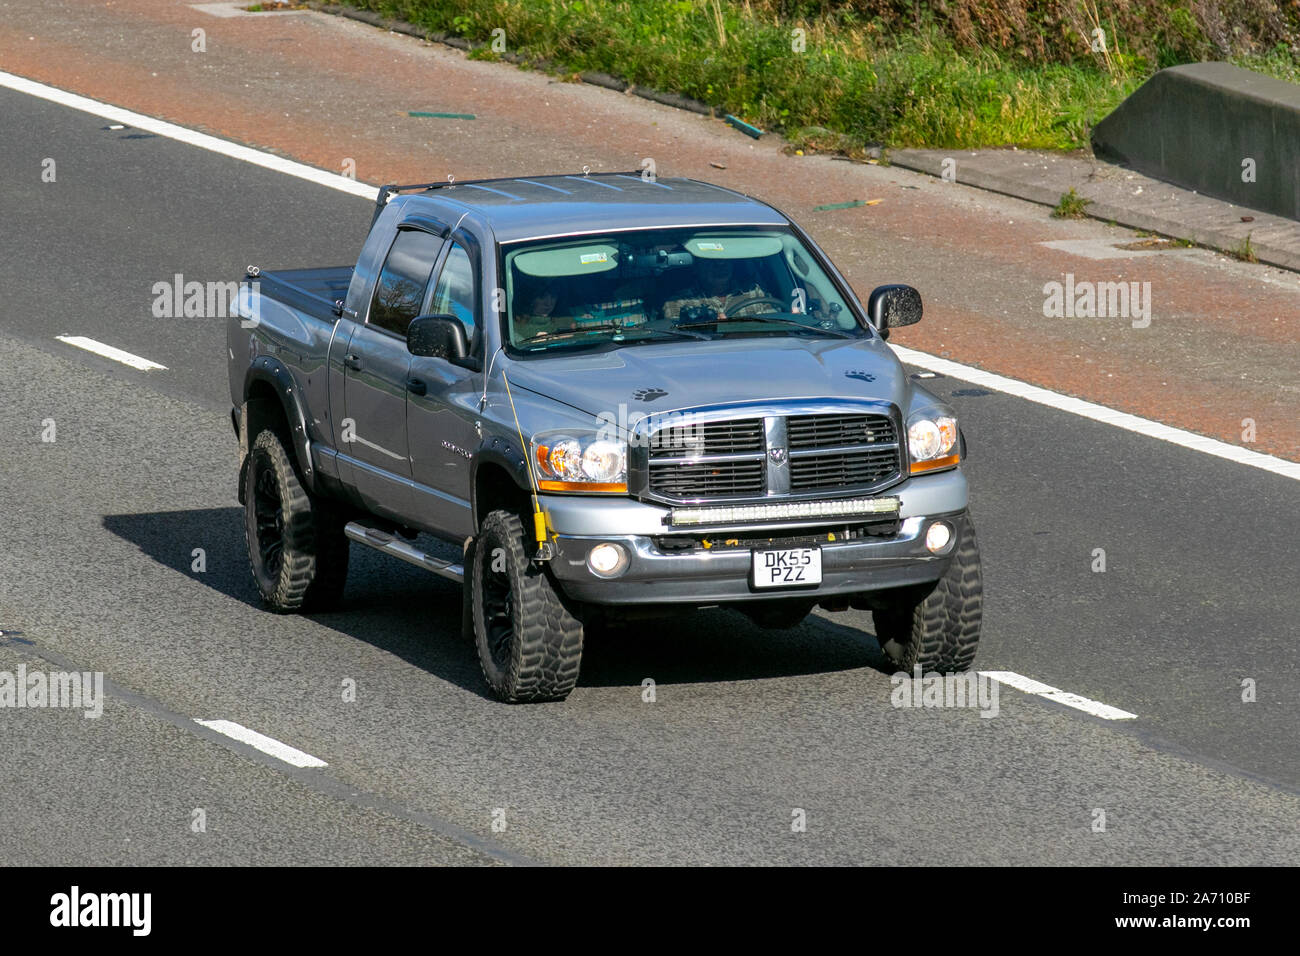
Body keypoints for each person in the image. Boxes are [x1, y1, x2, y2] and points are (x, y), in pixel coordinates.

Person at [660, 257, 771, 323]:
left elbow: (775, 327)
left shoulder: (754, 292)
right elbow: (677, 339)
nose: (720, 266)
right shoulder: (677, 302)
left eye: (724, 261)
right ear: (696, 268)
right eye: (711, 261)